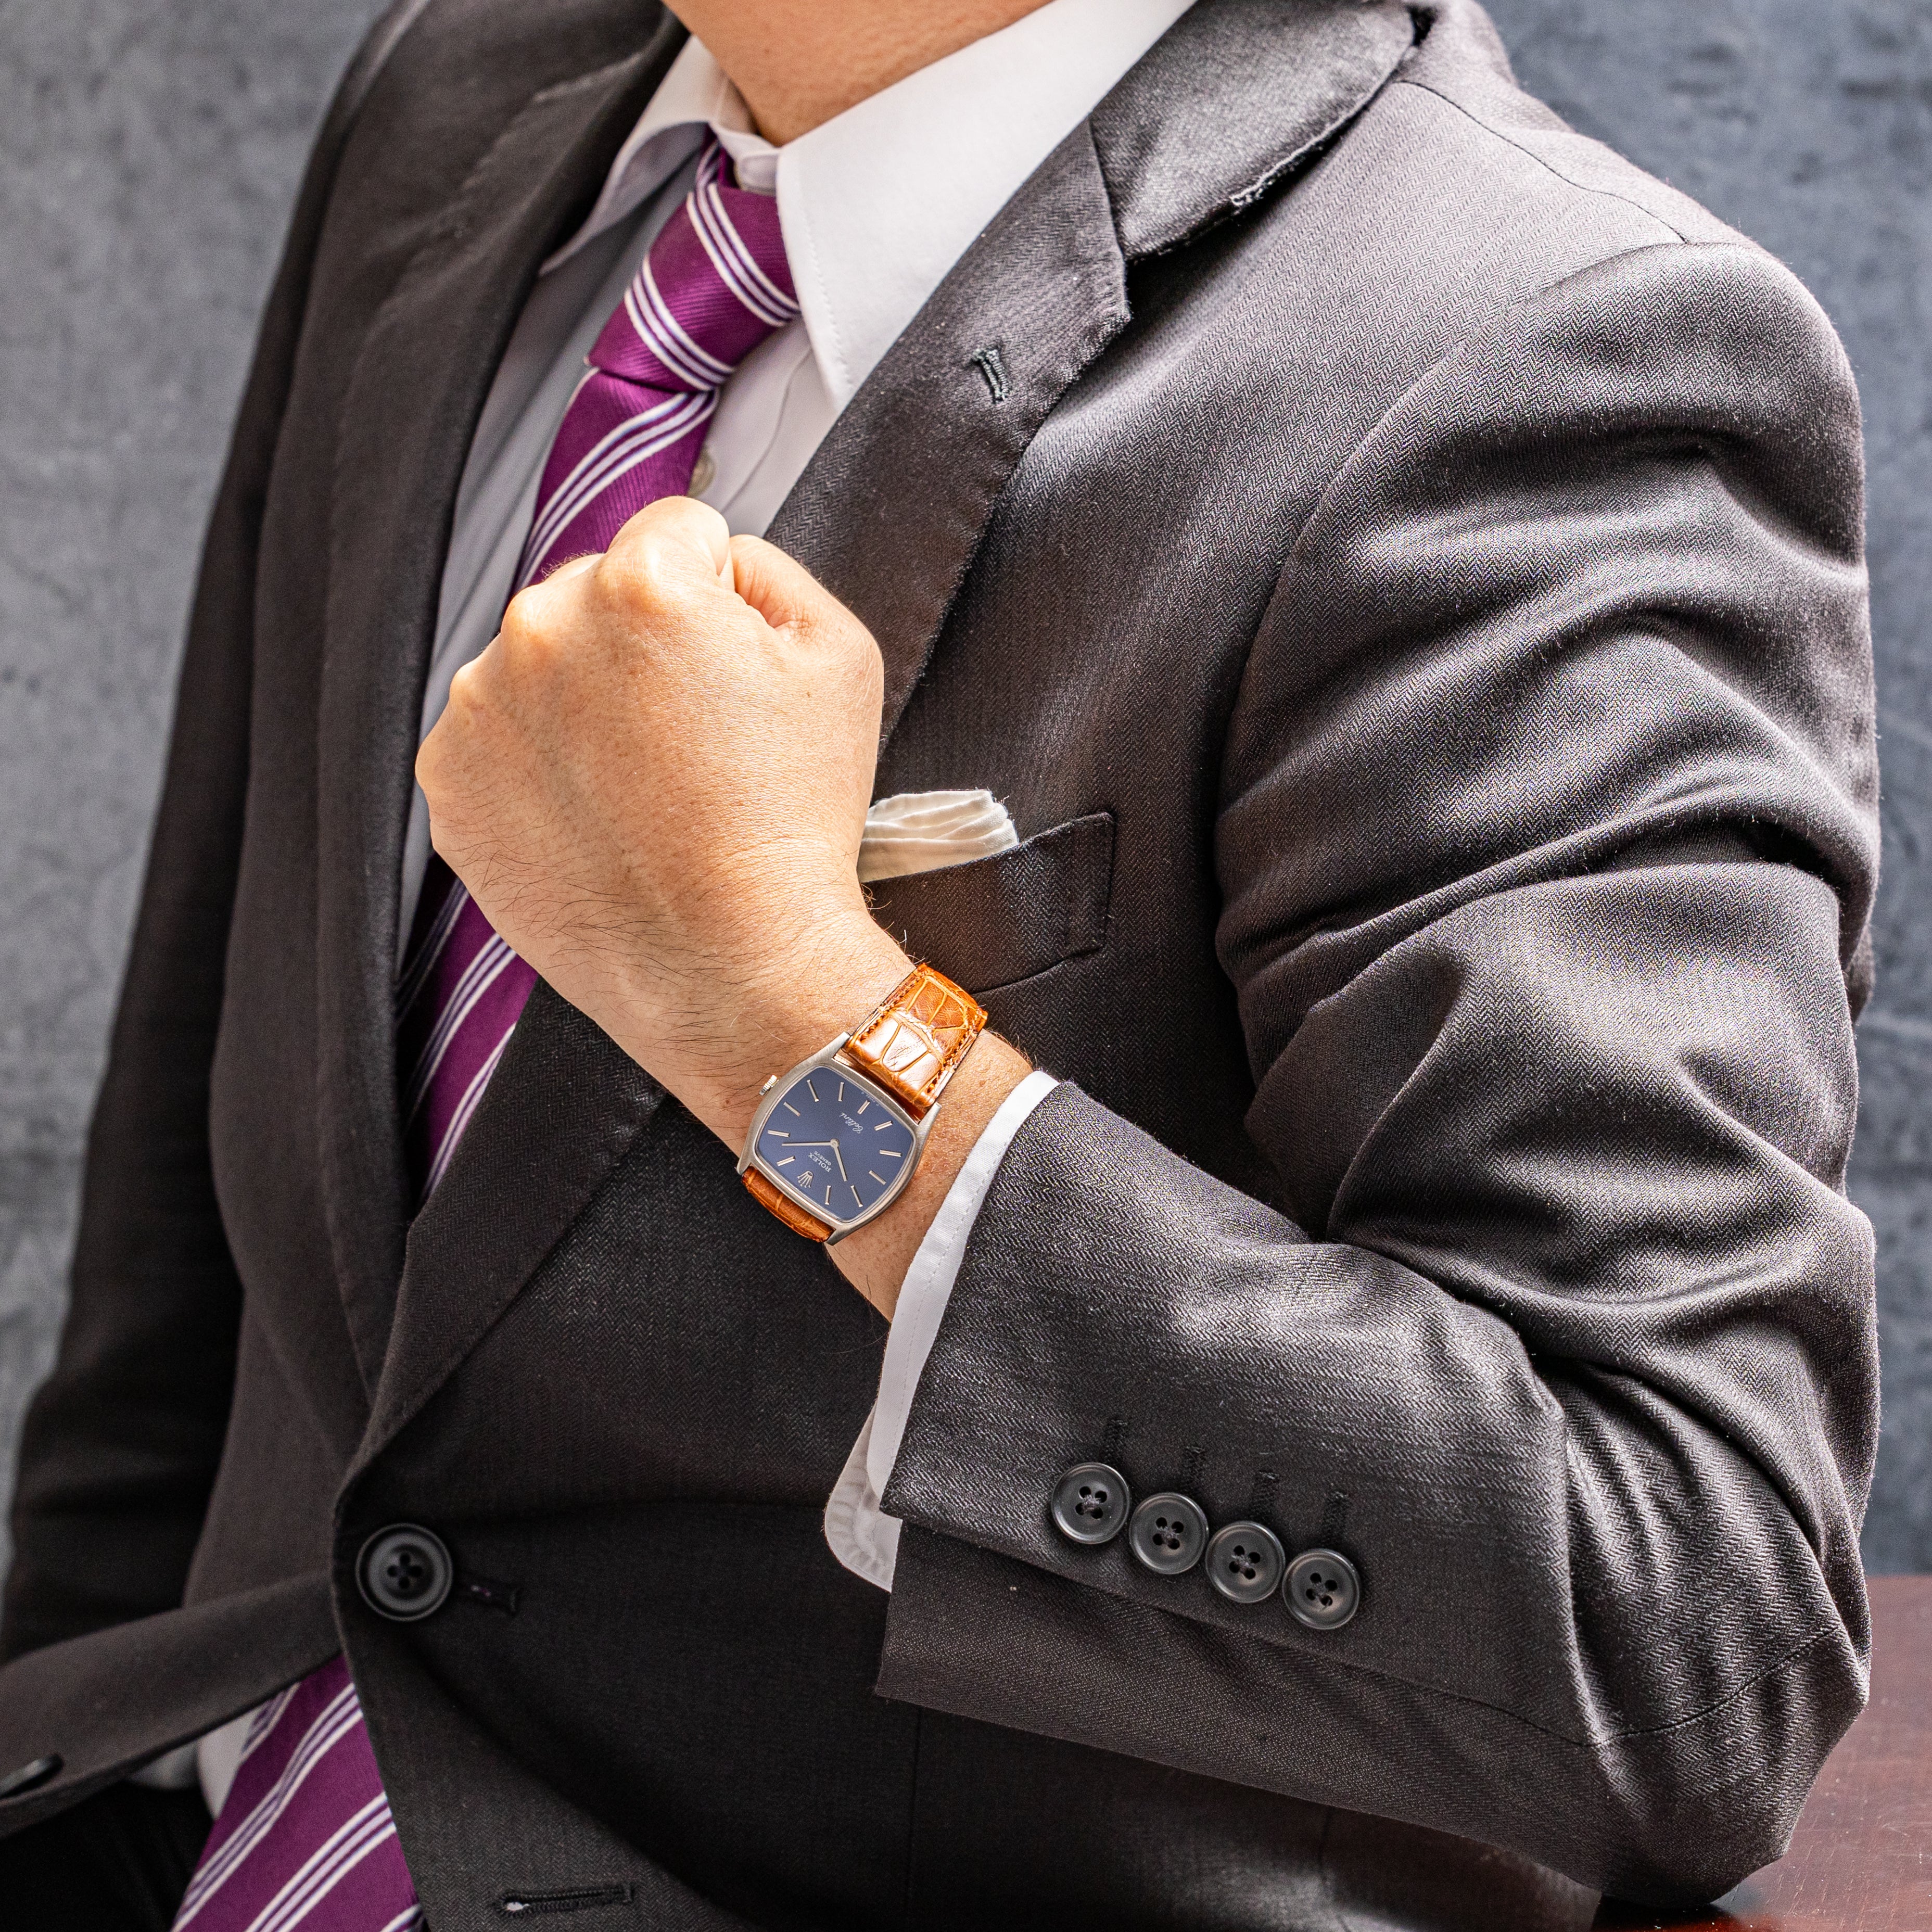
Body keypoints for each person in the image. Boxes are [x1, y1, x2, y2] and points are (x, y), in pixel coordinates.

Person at [0, 0, 1882, 1926]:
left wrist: (806, 1030)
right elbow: (190, 1276)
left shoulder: (1542, 355)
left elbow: (1681, 1628)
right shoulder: (455, 99)